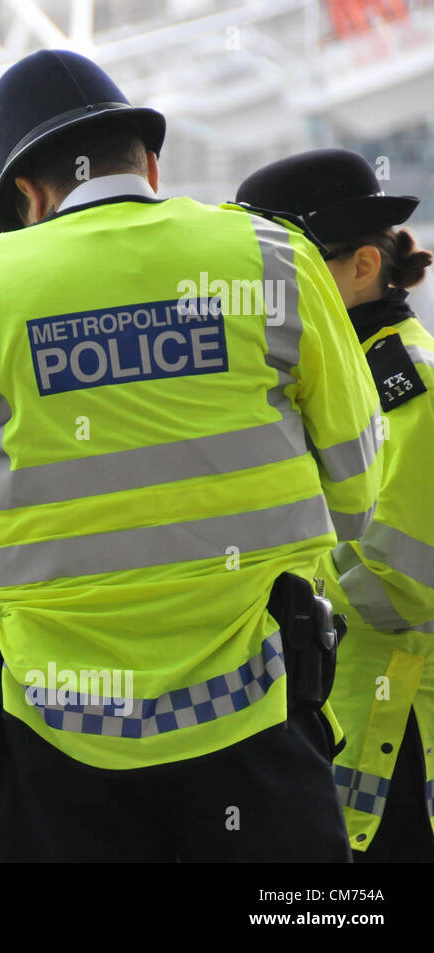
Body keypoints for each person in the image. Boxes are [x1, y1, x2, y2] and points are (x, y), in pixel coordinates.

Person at [0, 49, 384, 862]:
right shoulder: (271, 259)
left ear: (25, 195)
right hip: (261, 719)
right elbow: (359, 486)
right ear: (152, 164)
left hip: (59, 739)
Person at [238, 149, 434, 862]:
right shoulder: (317, 378)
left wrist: (260, 575)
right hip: (325, 728)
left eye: (290, 273)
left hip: (389, 747)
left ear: (361, 267)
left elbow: (401, 588)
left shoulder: (406, 386)